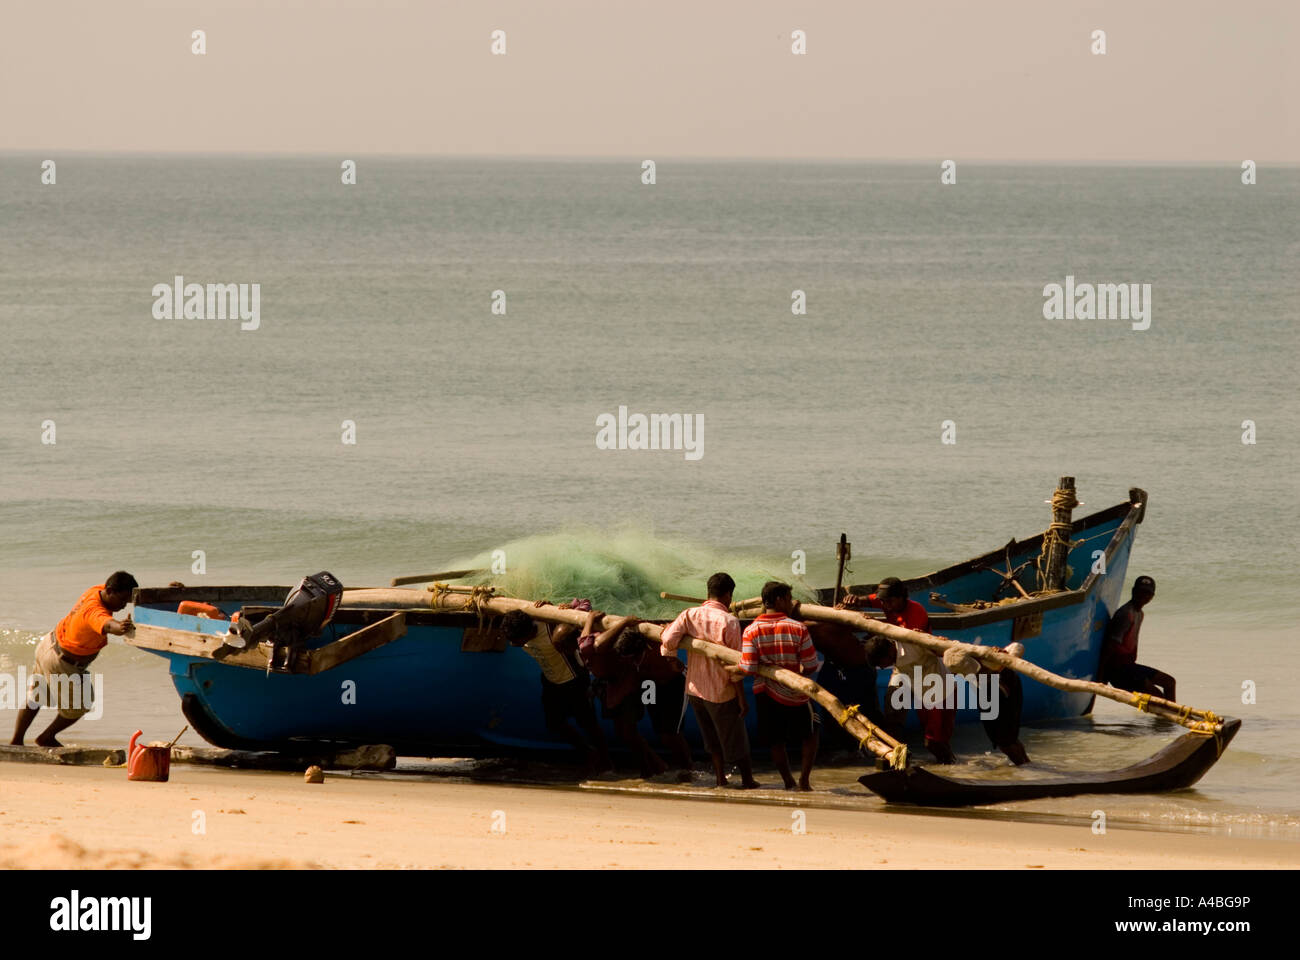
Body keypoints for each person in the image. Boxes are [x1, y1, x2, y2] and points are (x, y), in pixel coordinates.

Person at [12, 572, 137, 747]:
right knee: (81, 705)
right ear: (110, 591)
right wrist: (121, 626)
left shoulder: (97, 590)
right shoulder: (94, 611)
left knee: (37, 696)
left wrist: (165, 594)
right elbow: (108, 625)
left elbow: (129, 595)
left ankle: (16, 741)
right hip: (62, 661)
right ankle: (46, 737)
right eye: (123, 600)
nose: (125, 605)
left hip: (48, 645)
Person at [660, 572, 757, 789]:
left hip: (695, 689)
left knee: (711, 739)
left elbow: (667, 639)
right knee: (735, 738)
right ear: (728, 595)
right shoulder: (730, 621)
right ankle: (748, 780)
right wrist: (742, 698)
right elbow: (736, 668)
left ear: (708, 592)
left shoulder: (689, 614)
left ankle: (720, 779)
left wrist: (673, 660)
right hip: (721, 691)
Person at [846, 578, 956, 763]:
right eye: (883, 601)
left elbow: (930, 647)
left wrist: (875, 626)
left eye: (888, 601)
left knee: (935, 740)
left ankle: (950, 766)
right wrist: (856, 600)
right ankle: (896, 759)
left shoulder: (916, 614)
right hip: (903, 667)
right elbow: (872, 599)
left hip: (926, 670)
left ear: (901, 598)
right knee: (893, 713)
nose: (885, 605)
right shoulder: (888, 604)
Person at [503, 602, 611, 773]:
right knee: (554, 724)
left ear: (527, 633)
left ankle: (605, 760)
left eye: (515, 641)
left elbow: (581, 610)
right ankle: (588, 753)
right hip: (550, 681)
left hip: (574, 680)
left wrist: (565, 606)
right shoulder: (521, 630)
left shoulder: (550, 626)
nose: (512, 644)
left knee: (588, 724)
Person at [739, 581, 822, 790]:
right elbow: (811, 665)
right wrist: (795, 674)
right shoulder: (798, 628)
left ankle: (788, 781)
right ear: (779, 600)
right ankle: (804, 780)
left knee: (775, 740)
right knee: (811, 734)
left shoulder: (751, 630)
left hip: (765, 692)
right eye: (788, 598)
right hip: (796, 693)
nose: (791, 603)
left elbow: (748, 668)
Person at [576, 610, 668, 779]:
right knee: (624, 733)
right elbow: (590, 643)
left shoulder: (609, 650)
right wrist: (622, 622)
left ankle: (649, 769)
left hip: (628, 687)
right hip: (611, 686)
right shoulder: (593, 648)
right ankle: (656, 766)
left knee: (628, 732)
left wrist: (624, 623)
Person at [1099, 576, 1174, 701]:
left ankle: (1173, 716)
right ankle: (1168, 718)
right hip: (1119, 672)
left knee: (1170, 682)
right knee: (1159, 698)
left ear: (1152, 597)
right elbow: (1109, 646)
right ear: (1133, 591)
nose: (1143, 595)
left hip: (1129, 667)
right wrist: (1102, 676)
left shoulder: (1139, 613)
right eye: (1140, 591)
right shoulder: (1125, 614)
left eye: (1147, 593)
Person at [634, 635, 694, 775]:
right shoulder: (632, 638)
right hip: (649, 684)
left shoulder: (660, 633)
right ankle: (663, 766)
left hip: (673, 682)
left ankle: (687, 769)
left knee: (672, 732)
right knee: (661, 732)